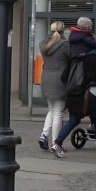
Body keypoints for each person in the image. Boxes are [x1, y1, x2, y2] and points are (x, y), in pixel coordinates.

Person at [52, 35, 96, 158]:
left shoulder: (76, 59)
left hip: (76, 93)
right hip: (93, 94)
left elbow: (65, 76)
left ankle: (57, 143)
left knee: (73, 120)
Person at [37, 21, 71, 150]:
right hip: (59, 80)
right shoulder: (65, 45)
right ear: (63, 31)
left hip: (46, 77)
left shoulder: (43, 44)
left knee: (51, 110)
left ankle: (44, 135)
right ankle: (56, 143)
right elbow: (72, 58)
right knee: (58, 113)